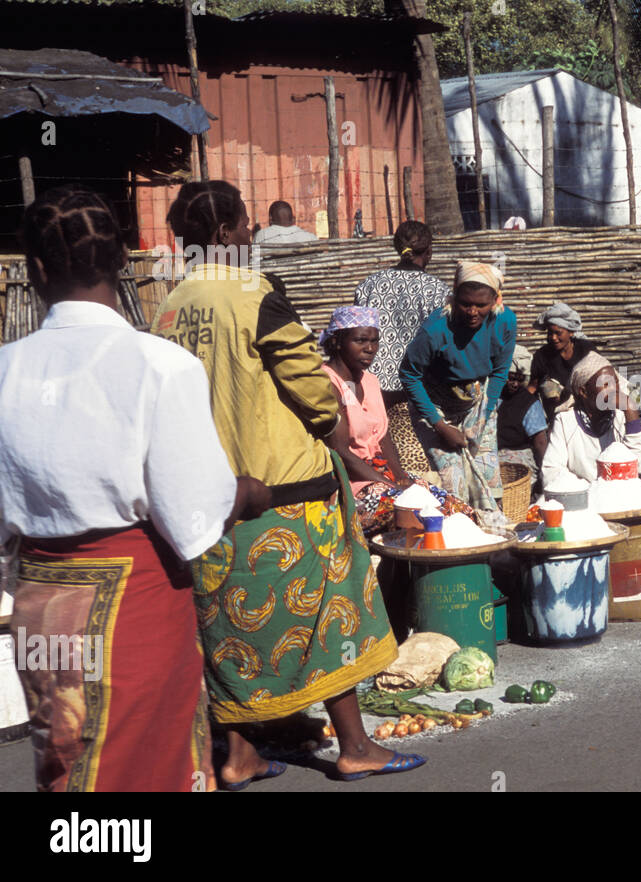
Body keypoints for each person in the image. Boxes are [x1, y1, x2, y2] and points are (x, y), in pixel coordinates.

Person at [0, 186, 270, 792]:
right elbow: (193, 517)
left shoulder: (5, 370)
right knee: (143, 767)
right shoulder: (159, 365)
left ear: (36, 269)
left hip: (40, 604)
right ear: (123, 260)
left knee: (67, 762)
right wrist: (245, 493)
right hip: (136, 598)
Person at [152, 180, 419, 785]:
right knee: (331, 612)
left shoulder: (170, 303)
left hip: (213, 493)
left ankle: (239, 754)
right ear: (224, 234)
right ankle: (354, 746)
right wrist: (328, 417)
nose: (251, 234)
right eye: (245, 224)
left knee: (230, 627)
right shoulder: (254, 290)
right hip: (287, 489)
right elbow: (304, 377)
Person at [319, 307, 458, 534]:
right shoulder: (326, 383)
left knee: (449, 506)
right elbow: (340, 450)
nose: (370, 349)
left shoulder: (371, 382)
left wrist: (401, 478)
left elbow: (383, 439)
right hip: (352, 481)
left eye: (375, 341)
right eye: (360, 340)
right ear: (336, 342)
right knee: (412, 513)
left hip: (382, 474)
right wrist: (390, 486)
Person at [402, 261, 516, 510]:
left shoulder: (505, 321)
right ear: (454, 297)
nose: (472, 311)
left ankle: (490, 535)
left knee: (486, 476)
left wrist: (484, 417)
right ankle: (457, 537)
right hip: (435, 404)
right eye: (465, 303)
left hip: (477, 401)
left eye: (481, 305)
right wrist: (440, 426)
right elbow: (409, 375)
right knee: (454, 482)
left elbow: (499, 373)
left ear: (495, 300)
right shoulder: (436, 329)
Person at [353, 221, 454, 409]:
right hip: (417, 387)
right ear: (429, 251)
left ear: (397, 247)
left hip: (371, 386)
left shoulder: (368, 285)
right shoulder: (438, 291)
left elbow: (355, 334)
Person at [541, 352, 641, 486]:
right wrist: (592, 490)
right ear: (584, 392)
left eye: (616, 382)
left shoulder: (622, 416)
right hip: (583, 499)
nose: (614, 390)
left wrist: (630, 411)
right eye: (606, 384)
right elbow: (551, 474)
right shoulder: (565, 421)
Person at [530, 301, 599, 419]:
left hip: (589, 409)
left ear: (571, 332)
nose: (553, 338)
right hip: (559, 415)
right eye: (550, 333)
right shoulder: (542, 355)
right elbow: (533, 386)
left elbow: (601, 377)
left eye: (558, 333)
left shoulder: (586, 350)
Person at [497, 344, 549, 482]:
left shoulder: (529, 403)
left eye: (520, 380)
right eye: (511, 378)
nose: (515, 384)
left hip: (518, 457)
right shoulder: (492, 397)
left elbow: (540, 442)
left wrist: (545, 474)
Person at [252, 200, 318, 245]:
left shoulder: (261, 236)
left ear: (270, 219)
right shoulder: (311, 238)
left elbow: (254, 264)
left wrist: (243, 246)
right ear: (293, 219)